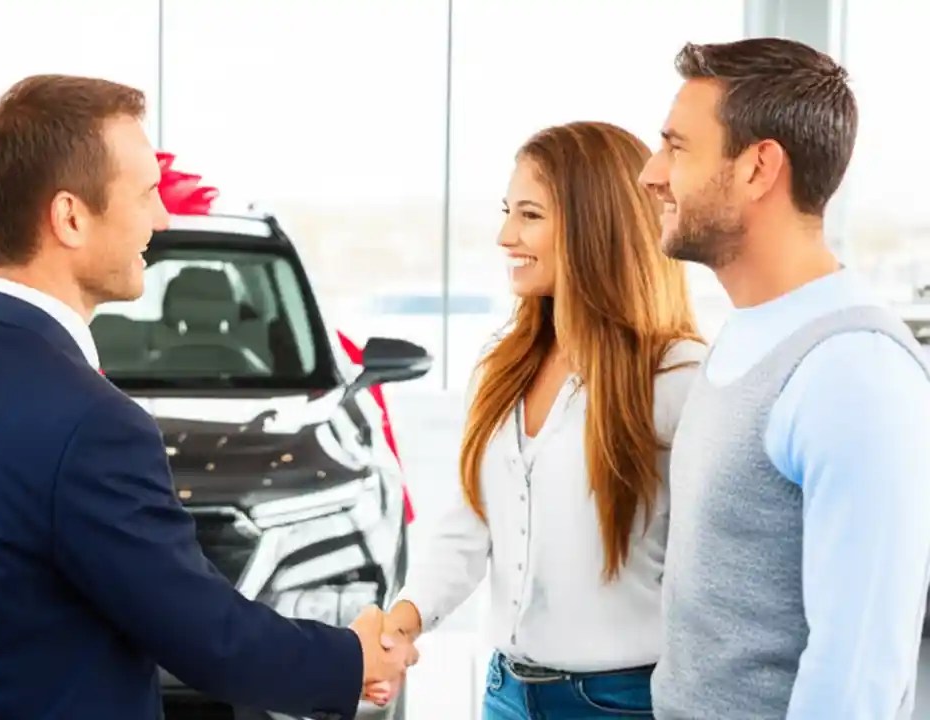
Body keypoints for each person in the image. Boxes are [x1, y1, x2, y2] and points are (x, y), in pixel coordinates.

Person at [0, 74, 415, 720]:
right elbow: (208, 637)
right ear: (70, 217)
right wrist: (352, 659)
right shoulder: (92, 423)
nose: (163, 218)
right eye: (146, 194)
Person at [373, 121, 707, 719]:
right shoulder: (505, 364)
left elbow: (713, 573)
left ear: (594, 223)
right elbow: (470, 525)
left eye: (529, 214)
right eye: (508, 211)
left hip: (620, 703)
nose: (505, 236)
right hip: (507, 693)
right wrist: (404, 621)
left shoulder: (678, 377)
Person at [640, 38, 930, 719]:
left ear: (758, 167)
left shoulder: (853, 373)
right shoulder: (746, 331)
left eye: (677, 147)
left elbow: (857, 680)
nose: (652, 173)